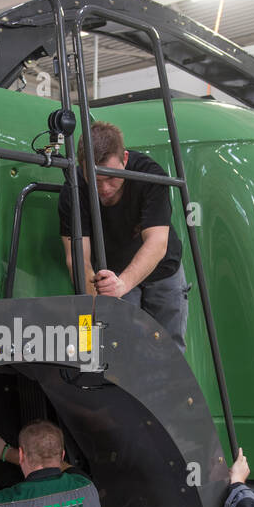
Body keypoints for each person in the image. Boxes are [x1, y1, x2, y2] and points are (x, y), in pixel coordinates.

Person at [59, 120, 189, 352]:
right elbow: (78, 259)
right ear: (81, 167)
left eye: (111, 178)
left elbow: (157, 243)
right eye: (96, 181)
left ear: (125, 159)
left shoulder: (150, 175)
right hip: (113, 272)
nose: (105, 189)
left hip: (162, 270)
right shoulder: (74, 190)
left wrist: (123, 284)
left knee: (169, 353)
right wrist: (96, 304)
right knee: (121, 351)